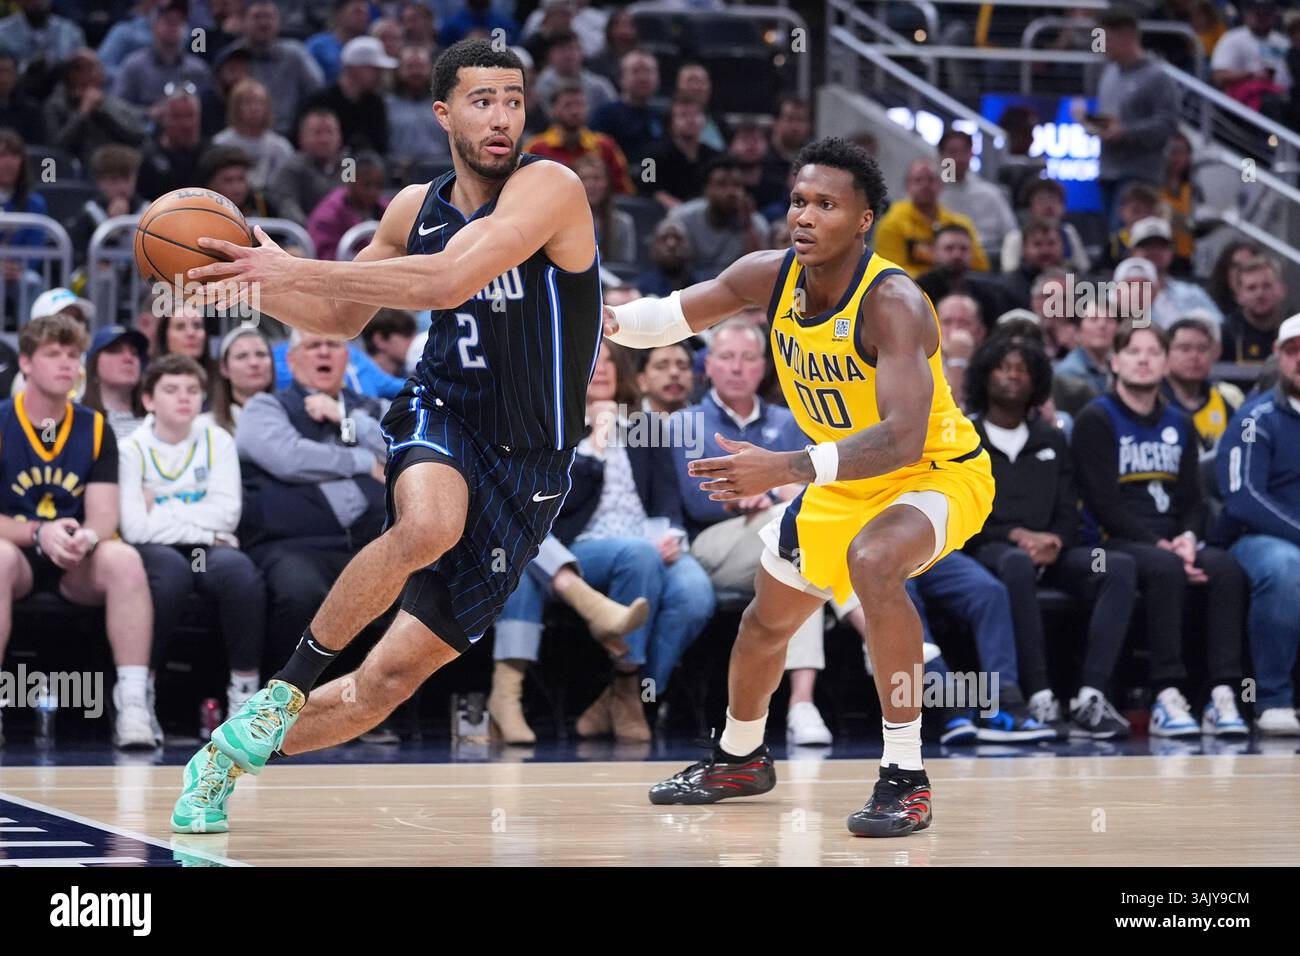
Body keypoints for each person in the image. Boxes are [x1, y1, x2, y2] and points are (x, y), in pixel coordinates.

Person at [172, 40, 604, 833]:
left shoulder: (551, 187)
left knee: (382, 688)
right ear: (442, 113)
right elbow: (339, 317)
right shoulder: (413, 207)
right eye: (481, 100)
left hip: (534, 463)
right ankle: (280, 692)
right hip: (444, 410)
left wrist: (294, 269)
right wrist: (256, 281)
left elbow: (446, 280)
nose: (502, 115)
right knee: (430, 525)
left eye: (512, 98)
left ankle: (220, 760)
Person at [604, 137, 995, 836]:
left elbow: (902, 438)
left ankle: (905, 775)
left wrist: (784, 469)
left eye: (825, 205)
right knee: (766, 620)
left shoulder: (893, 302)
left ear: (865, 218)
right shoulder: (769, 274)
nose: (804, 217)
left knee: (873, 563)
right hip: (840, 480)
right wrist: (597, 320)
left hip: (933, 472)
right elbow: (670, 315)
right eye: (798, 202)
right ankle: (739, 757)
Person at [492, 342, 714, 744]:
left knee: (695, 593)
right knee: (638, 555)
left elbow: (667, 495)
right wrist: (596, 440)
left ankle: (624, 692)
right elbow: (552, 506)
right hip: (577, 546)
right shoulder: (551, 427)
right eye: (589, 359)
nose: (601, 368)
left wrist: (672, 534)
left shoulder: (642, 425)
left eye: (608, 359)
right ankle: (627, 683)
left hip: (644, 537)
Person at [1072, 323, 1248, 738]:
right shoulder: (1096, 418)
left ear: (1165, 362)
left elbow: (1193, 499)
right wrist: (1162, 546)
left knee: (1226, 568)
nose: (1145, 358)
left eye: (1154, 351)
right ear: (1115, 362)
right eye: (1134, 351)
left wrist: (1187, 539)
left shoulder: (1179, 421)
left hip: (1171, 539)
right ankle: (1167, 693)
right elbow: (1103, 504)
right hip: (1113, 541)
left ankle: (1223, 693)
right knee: (1165, 567)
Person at [965, 335, 1138, 738]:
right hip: (990, 551)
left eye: (1023, 369)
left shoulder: (1052, 438)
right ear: (984, 375)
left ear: (1038, 381)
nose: (1013, 375)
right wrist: (1016, 535)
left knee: (1119, 566)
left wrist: (1055, 541)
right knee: (1016, 563)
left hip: (1054, 550)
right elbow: (963, 516)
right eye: (1003, 367)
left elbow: (1068, 507)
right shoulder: (966, 438)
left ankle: (1090, 697)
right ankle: (1039, 695)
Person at [0, 314, 158, 749]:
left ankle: (133, 704)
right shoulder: (2, 421)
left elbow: (103, 514)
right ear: (27, 364)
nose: (66, 364)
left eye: (73, 355)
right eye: (53, 354)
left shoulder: (94, 426)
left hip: (75, 557)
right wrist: (38, 533)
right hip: (16, 554)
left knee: (124, 559)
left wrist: (86, 537)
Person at [120, 354, 265, 722]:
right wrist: (204, 527)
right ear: (149, 399)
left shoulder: (218, 440)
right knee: (169, 577)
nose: (184, 398)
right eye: (171, 390)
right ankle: (140, 696)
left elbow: (227, 514)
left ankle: (244, 695)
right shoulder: (129, 448)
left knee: (241, 574)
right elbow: (135, 527)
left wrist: (160, 508)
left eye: (192, 390)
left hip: (208, 551)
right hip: (158, 550)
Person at [1216, 313, 1300, 735]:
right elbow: (1244, 499)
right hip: (1258, 540)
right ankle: (1272, 698)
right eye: (1293, 350)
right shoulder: (1255, 419)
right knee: (1287, 567)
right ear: (1278, 357)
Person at [1092, 10, 1178, 229]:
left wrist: (1125, 133)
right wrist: (1092, 124)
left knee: (1129, 238)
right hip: (1108, 170)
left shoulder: (1156, 77)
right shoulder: (1108, 73)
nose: (1102, 46)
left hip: (1139, 174)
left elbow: (1167, 125)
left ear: (1127, 35)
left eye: (1106, 39)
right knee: (1112, 241)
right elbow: (1109, 119)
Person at [872, 158, 990, 278]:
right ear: (907, 187)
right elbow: (891, 274)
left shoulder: (961, 224)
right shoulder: (891, 224)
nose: (925, 185)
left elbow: (980, 268)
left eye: (931, 179)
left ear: (941, 185)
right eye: (918, 180)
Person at [666, 157, 768, 278]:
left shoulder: (755, 223)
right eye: (722, 184)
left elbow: (760, 271)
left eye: (737, 185)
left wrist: (747, 225)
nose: (731, 192)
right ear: (706, 189)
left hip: (736, 288)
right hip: (687, 285)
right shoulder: (683, 218)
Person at [523, 82, 633, 195]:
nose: (575, 111)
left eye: (580, 104)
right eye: (568, 105)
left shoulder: (605, 145)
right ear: (554, 110)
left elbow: (623, 191)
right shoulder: (536, 148)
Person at [296, 35, 394, 155]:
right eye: (374, 69)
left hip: (361, 169)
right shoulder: (318, 102)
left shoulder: (375, 103)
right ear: (353, 69)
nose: (380, 75)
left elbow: (380, 147)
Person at [1160, 316, 1244, 454]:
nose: (1194, 356)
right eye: (1185, 348)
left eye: (1202, 349)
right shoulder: (1152, 401)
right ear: (1165, 353)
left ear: (1214, 354)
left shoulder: (1226, 399)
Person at [1126, 216, 1224, 330]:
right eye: (1146, 246)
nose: (1154, 251)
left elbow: (1219, 327)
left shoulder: (1192, 294)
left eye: (1160, 245)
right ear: (1132, 252)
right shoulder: (1116, 295)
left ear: (1171, 251)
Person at [113, 0, 212, 111]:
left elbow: (207, 113)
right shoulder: (134, 67)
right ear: (154, 26)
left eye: (179, 21)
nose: (174, 26)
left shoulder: (198, 70)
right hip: (141, 127)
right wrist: (149, 115)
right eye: (168, 21)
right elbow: (118, 110)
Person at [935, 128, 1017, 256]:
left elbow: (1012, 233)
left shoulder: (991, 194)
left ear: (971, 155)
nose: (958, 158)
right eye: (952, 152)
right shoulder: (932, 194)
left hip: (987, 259)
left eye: (964, 151)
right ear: (941, 156)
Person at [212, 77, 294, 190]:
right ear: (236, 107)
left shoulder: (281, 147)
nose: (254, 108)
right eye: (248, 102)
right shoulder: (220, 144)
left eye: (260, 102)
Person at [306, 151, 388, 260]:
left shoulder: (388, 210)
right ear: (350, 182)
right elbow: (324, 260)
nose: (373, 191)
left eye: (378, 185)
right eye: (366, 185)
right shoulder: (328, 216)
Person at [269, 108, 344, 225]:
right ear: (302, 137)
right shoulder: (292, 167)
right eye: (317, 133)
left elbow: (354, 204)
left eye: (329, 132)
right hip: (305, 236)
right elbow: (287, 207)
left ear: (339, 136)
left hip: (346, 236)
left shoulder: (349, 165)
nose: (324, 139)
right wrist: (315, 229)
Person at [1000, 179, 1090, 276]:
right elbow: (1009, 273)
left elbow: (1083, 268)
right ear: (1030, 208)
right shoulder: (1015, 237)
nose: (1049, 207)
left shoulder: (1068, 232)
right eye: (1041, 201)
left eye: (1054, 201)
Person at [589, 49, 663, 167]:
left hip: (652, 179)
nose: (643, 78)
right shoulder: (605, 116)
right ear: (621, 78)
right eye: (635, 71)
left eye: (648, 71)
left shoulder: (662, 116)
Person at [82, 324, 151, 442]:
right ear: (93, 364)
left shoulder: (155, 421)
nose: (129, 358)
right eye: (116, 351)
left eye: (134, 353)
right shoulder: (73, 417)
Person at [1222, 255, 1289, 363]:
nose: (1260, 294)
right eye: (1251, 288)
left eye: (1267, 286)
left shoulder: (1295, 330)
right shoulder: (1226, 334)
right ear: (1238, 296)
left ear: (1282, 290)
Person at [209, 323, 274, 435]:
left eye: (261, 354)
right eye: (242, 356)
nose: (254, 363)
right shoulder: (206, 425)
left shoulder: (290, 416)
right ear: (224, 368)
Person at [573, 154, 635, 265]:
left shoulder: (623, 223)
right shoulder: (564, 224)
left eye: (597, 178)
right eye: (584, 178)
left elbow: (625, 269)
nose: (591, 185)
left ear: (607, 183)